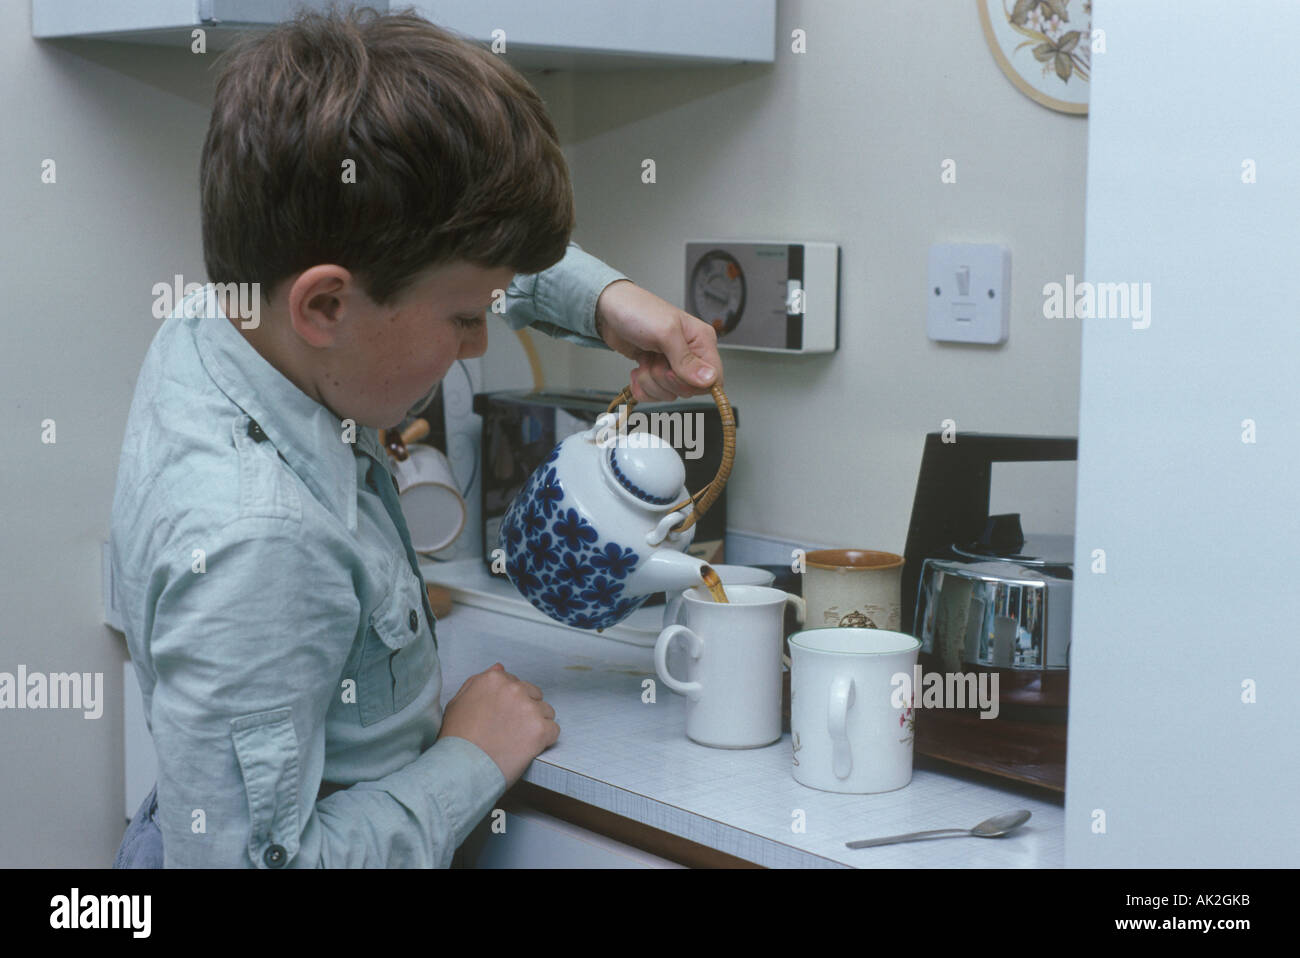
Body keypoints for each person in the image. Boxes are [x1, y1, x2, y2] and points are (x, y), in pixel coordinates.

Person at [110, 6, 723, 868]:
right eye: (468, 318)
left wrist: (603, 301)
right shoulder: (258, 545)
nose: (482, 341)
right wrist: (468, 760)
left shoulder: (226, 315)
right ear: (324, 306)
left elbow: (435, 259)